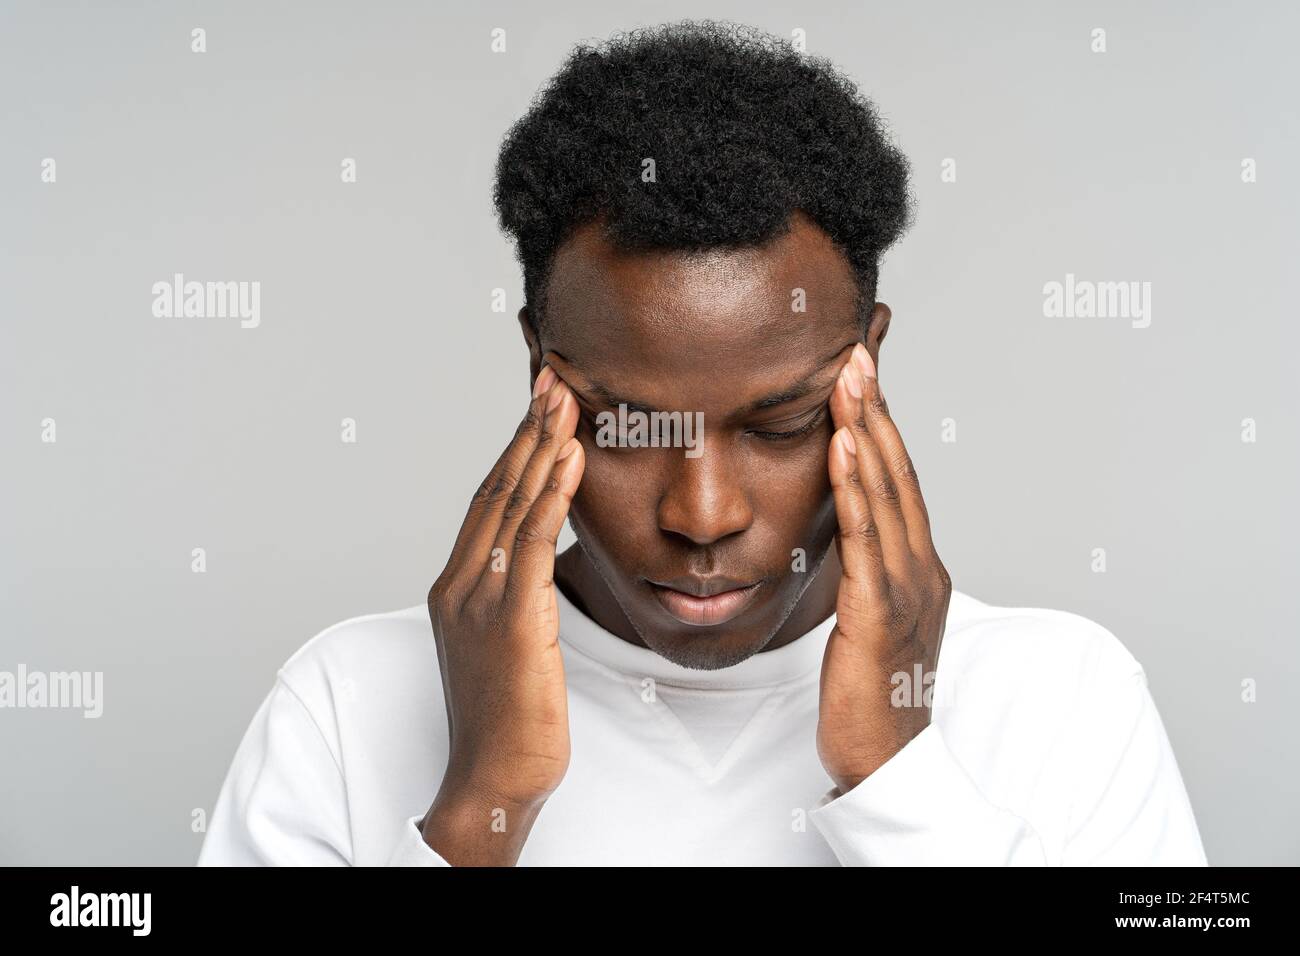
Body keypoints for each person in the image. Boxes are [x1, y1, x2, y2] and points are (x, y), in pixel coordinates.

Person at [198, 20, 1207, 866]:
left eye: (779, 424)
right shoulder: (348, 703)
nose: (703, 513)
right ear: (538, 372)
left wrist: (901, 779)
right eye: (627, 427)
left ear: (867, 367)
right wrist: (478, 808)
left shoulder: (1063, 699)